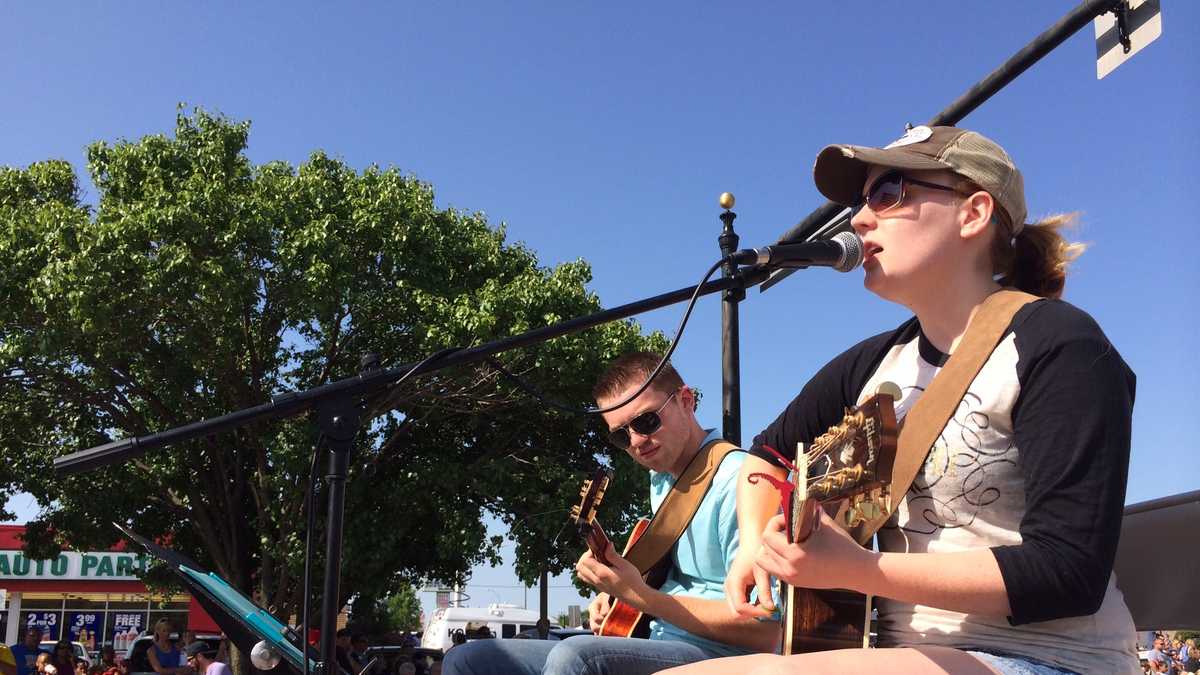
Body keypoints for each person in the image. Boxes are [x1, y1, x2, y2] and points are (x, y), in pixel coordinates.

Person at [668, 126, 1140, 675]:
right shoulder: (871, 364)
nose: (859, 219)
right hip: (898, 654)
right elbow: (764, 456)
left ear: (974, 213)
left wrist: (859, 569)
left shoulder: (1059, 343)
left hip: (1049, 659)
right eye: (859, 201)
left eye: (888, 193)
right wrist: (752, 544)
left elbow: (1070, 572)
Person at [443, 352, 779, 675]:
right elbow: (662, 577)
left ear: (686, 401)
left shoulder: (742, 481)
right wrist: (614, 595)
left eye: (646, 421)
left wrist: (638, 596)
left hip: (722, 656)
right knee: (469, 659)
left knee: (576, 656)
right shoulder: (661, 480)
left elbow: (766, 630)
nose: (636, 441)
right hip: (654, 639)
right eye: (620, 435)